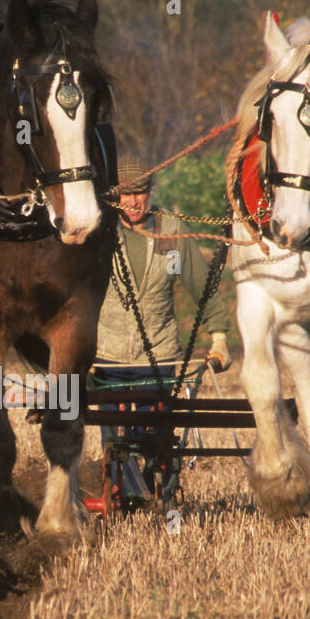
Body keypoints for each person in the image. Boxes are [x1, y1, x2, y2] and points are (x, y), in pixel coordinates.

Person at [92, 155, 233, 496]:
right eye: (125, 194)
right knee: (114, 438)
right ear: (113, 196)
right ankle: (127, 495)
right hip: (106, 355)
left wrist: (219, 336)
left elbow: (202, 285)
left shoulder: (172, 230)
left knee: (157, 434)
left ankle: (162, 494)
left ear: (151, 191)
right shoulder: (99, 231)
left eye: (140, 192)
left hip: (158, 354)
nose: (133, 201)